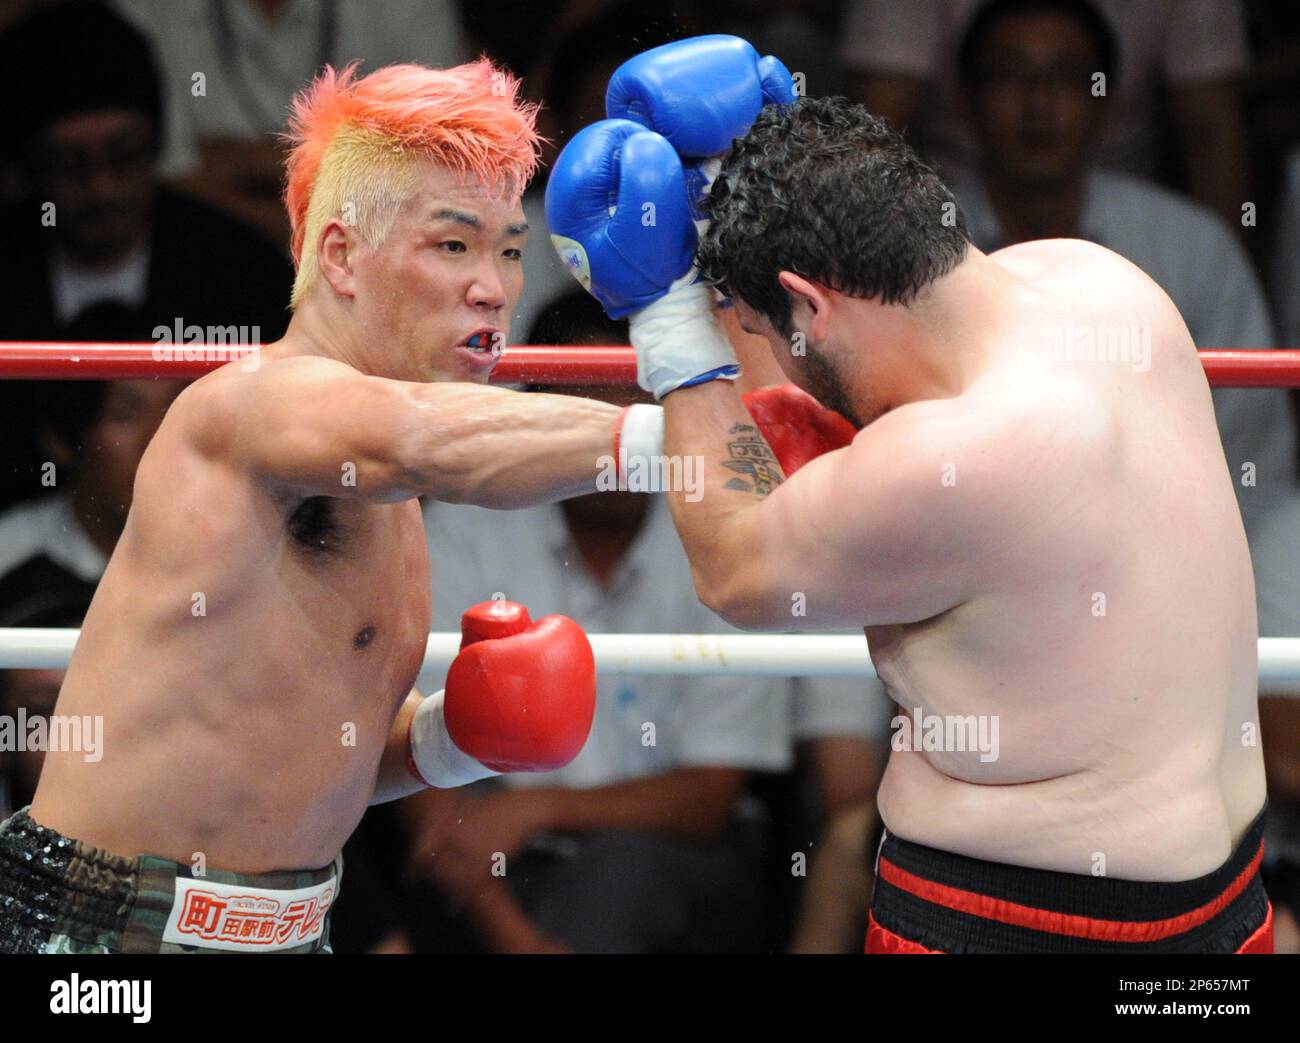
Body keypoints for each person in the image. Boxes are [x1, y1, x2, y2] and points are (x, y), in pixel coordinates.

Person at [547, 35, 1271, 953]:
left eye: (764, 331)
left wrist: (669, 317)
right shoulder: (1105, 285)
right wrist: (772, 167)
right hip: (1225, 920)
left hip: (1021, 923)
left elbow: (735, 568)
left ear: (809, 308)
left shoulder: (945, 461)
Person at [0, 1, 293, 346]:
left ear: (154, 147)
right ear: (32, 167)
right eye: (70, 163)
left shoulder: (244, 274)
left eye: (122, 155)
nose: (102, 188)